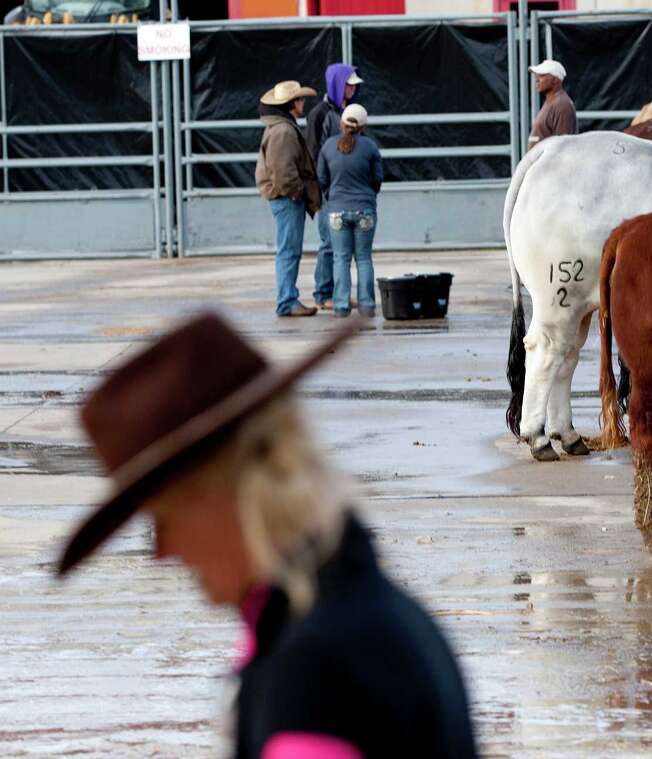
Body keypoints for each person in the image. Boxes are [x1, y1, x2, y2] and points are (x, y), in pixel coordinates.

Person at [56, 312, 478, 759]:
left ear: (234, 487)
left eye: (162, 519)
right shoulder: (383, 614)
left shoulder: (313, 677)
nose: (160, 552)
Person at [256, 80, 322, 318]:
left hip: (284, 197)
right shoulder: (284, 130)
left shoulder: (280, 127)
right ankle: (287, 301)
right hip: (287, 199)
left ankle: (288, 299)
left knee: (288, 250)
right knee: (289, 251)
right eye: (300, 99)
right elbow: (283, 172)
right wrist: (297, 193)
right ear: (292, 103)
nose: (303, 102)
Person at [306, 63, 364, 311]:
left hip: (343, 188)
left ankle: (337, 293)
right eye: (348, 83)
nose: (353, 88)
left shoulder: (347, 112)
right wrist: (321, 188)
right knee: (329, 243)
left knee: (342, 245)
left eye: (354, 84)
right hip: (329, 189)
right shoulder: (319, 114)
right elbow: (313, 150)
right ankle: (323, 293)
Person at [318, 104, 383, 318]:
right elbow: (377, 179)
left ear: (341, 123)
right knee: (364, 258)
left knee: (340, 258)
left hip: (336, 211)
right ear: (363, 126)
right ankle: (366, 306)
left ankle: (341, 306)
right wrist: (368, 197)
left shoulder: (328, 146)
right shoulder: (371, 147)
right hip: (365, 209)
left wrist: (333, 198)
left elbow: (322, 180)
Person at [527, 59, 576, 152]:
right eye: (537, 75)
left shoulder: (561, 105)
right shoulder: (553, 102)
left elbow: (563, 148)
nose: (537, 79)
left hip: (548, 165)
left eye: (542, 75)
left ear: (555, 80)